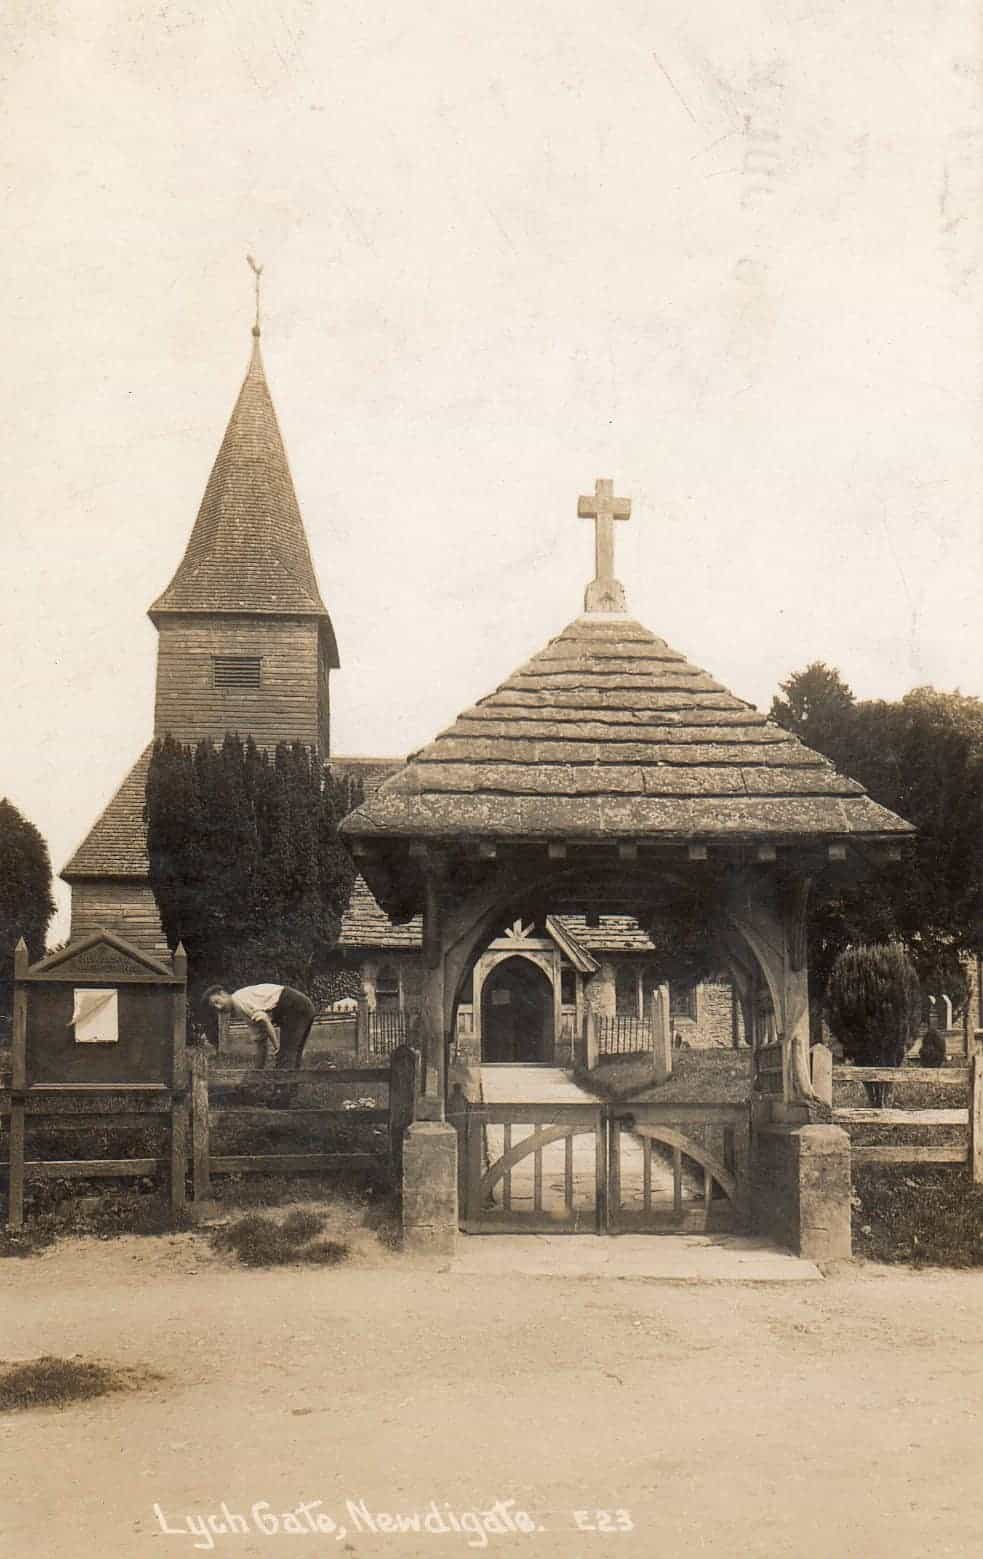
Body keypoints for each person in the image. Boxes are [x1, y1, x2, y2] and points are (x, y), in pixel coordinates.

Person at [203, 982, 316, 1070]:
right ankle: (288, 1094)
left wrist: (277, 1047)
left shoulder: (240, 1001)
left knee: (286, 1055)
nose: (218, 1008)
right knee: (291, 1055)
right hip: (302, 1006)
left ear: (223, 994)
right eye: (214, 1008)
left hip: (295, 1005)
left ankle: (281, 1096)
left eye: (217, 1002)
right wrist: (256, 1074)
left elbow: (264, 1020)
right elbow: (261, 1044)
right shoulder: (240, 1010)